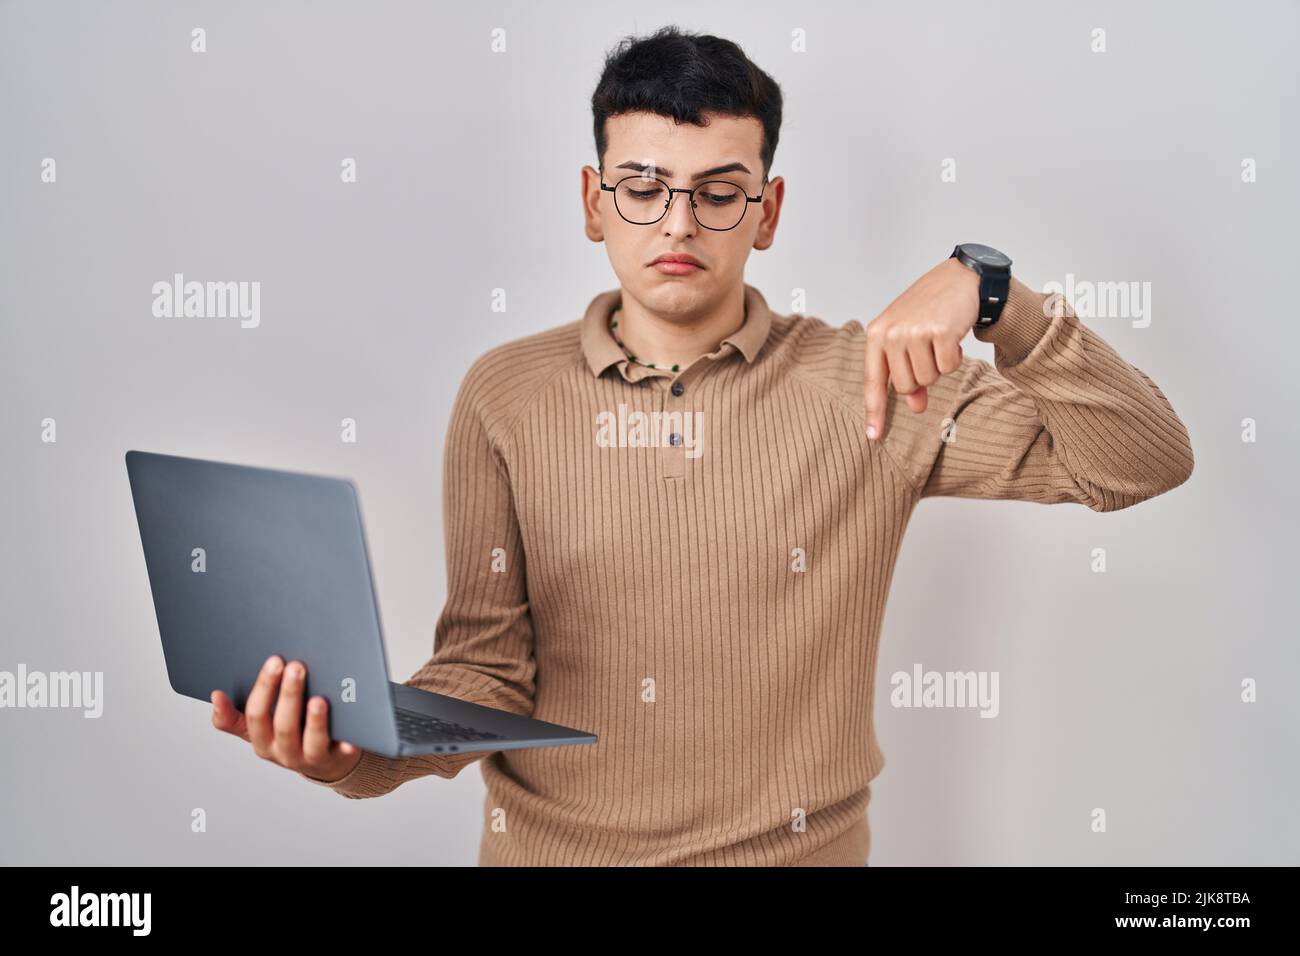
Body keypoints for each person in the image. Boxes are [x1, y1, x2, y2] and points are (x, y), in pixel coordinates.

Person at [211, 25, 1194, 866]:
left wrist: (994, 294)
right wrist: (357, 756)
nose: (678, 221)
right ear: (593, 201)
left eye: (718, 191)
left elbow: (1139, 460)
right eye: (643, 186)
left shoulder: (873, 379)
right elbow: (484, 671)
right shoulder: (504, 391)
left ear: (765, 213)